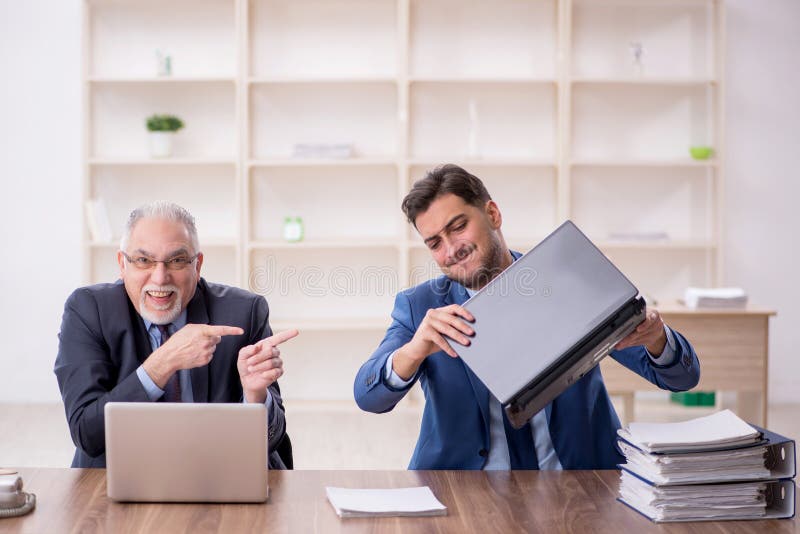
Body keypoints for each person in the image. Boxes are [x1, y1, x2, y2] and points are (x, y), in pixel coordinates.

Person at [354, 164, 701, 470]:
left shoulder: (568, 283)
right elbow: (367, 396)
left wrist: (656, 338)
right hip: (463, 489)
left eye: (458, 226)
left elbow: (682, 378)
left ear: (492, 214)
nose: (451, 250)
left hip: (580, 482)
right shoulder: (421, 307)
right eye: (434, 243)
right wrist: (413, 352)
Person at [55, 201, 297, 468]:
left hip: (217, 469)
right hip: (123, 472)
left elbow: (271, 440)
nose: (159, 278)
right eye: (143, 260)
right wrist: (164, 362)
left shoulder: (244, 312)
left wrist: (255, 396)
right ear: (122, 264)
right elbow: (86, 432)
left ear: (198, 265)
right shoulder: (88, 311)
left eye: (177, 260)